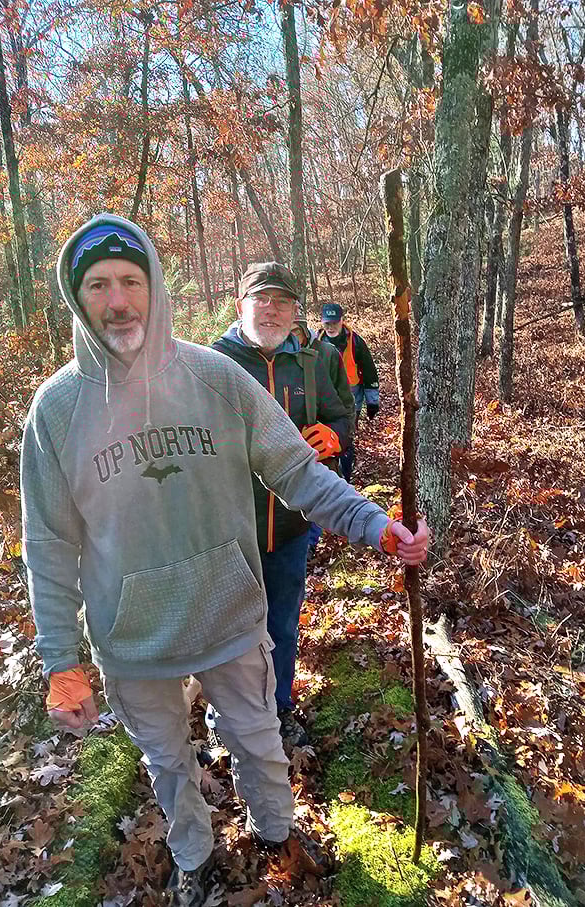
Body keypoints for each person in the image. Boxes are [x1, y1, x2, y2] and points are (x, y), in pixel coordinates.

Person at [20, 214, 429, 907]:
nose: (117, 300)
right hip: (132, 637)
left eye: (129, 280)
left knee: (259, 738)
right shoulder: (56, 411)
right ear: (76, 296)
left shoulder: (217, 381)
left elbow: (298, 472)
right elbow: (48, 544)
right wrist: (61, 660)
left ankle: (275, 833)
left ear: (153, 287)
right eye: (98, 285)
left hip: (229, 612)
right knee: (168, 764)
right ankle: (194, 854)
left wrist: (375, 525)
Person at [211, 264, 351, 747]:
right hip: (228, 533)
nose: (271, 309)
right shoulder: (213, 364)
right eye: (261, 299)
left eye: (283, 301)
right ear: (240, 306)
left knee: (282, 623)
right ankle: (226, 720)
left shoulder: (314, 361)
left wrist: (335, 435)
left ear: (295, 313)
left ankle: (277, 711)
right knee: (228, 631)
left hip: (292, 525)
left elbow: (340, 412)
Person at [291, 316, 355, 558]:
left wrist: (338, 437)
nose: (291, 337)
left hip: (320, 445)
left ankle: (310, 541)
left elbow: (344, 404)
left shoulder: (325, 354)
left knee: (318, 489)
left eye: (296, 331)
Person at [319, 303, 380, 482]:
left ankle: (345, 476)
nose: (330, 328)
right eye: (327, 324)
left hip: (352, 400)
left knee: (346, 437)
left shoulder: (356, 342)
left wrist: (372, 402)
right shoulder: (315, 342)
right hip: (324, 398)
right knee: (325, 434)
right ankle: (329, 473)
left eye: (334, 323)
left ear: (342, 321)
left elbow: (369, 372)